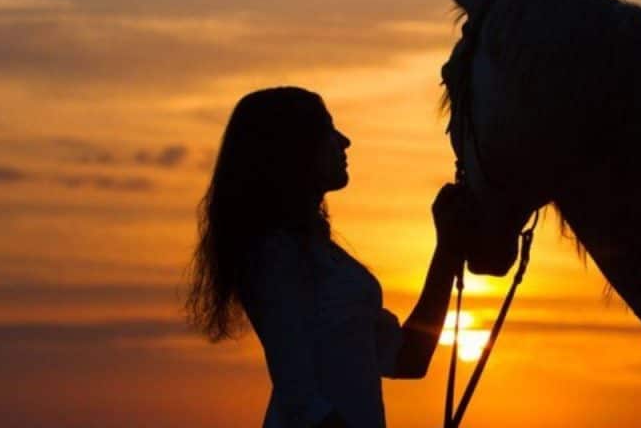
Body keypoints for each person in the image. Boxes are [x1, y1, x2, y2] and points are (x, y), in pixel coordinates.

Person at [186, 86, 469, 428]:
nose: (344, 141)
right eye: (328, 130)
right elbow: (299, 398)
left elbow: (409, 358)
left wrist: (448, 251)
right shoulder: (272, 255)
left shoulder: (323, 257)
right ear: (292, 151)